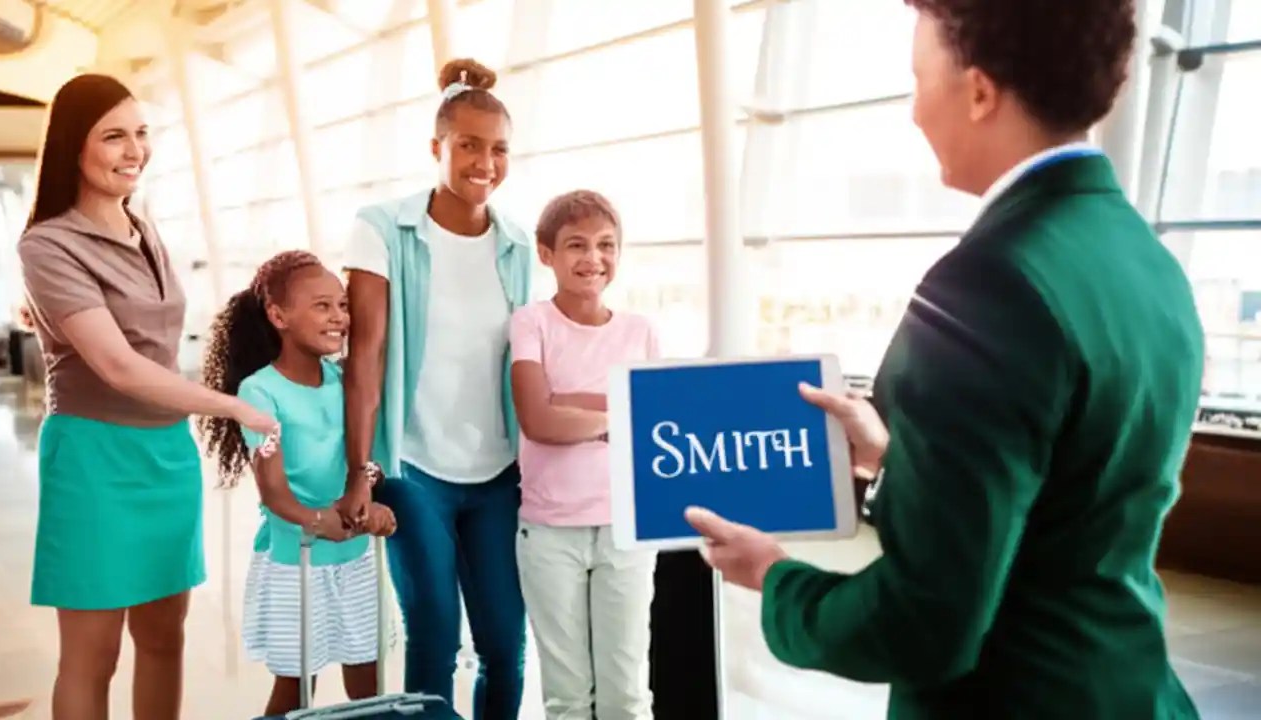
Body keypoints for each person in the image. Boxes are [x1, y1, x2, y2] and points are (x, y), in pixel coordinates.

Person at [686, 1, 1205, 717]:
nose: (914, 111)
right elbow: (1064, 495)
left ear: (980, 91)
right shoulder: (1145, 259)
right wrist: (896, 460)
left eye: (919, 78)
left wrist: (777, 581)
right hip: (1131, 689)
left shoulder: (990, 285)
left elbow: (925, 622)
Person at [16, 73, 276, 719]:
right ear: (73, 146)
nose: (133, 150)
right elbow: (118, 366)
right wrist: (234, 405)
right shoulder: (47, 244)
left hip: (166, 455)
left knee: (164, 637)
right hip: (93, 459)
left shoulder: (143, 225)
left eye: (140, 133)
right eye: (113, 137)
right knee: (92, 654)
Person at [337, 57, 532, 719]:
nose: (485, 161)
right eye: (469, 145)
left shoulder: (517, 246)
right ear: (437, 148)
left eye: (499, 148)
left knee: (506, 645)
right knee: (435, 636)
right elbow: (366, 357)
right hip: (414, 467)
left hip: (498, 472)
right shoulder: (383, 228)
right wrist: (361, 471)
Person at [198, 250, 398, 716]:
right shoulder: (260, 391)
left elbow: (368, 462)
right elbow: (272, 491)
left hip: (354, 558)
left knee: (368, 684)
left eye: (343, 305)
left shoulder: (345, 379)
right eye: (322, 306)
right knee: (296, 689)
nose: (339, 318)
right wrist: (317, 520)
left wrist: (366, 496)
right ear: (278, 316)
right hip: (297, 560)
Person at [510, 191, 660, 720]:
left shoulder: (640, 331)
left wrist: (573, 405)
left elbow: (652, 424)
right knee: (568, 698)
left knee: (627, 695)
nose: (592, 258)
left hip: (626, 532)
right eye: (576, 245)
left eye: (605, 245)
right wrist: (613, 416)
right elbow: (538, 420)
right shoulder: (532, 323)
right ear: (546, 253)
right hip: (550, 534)